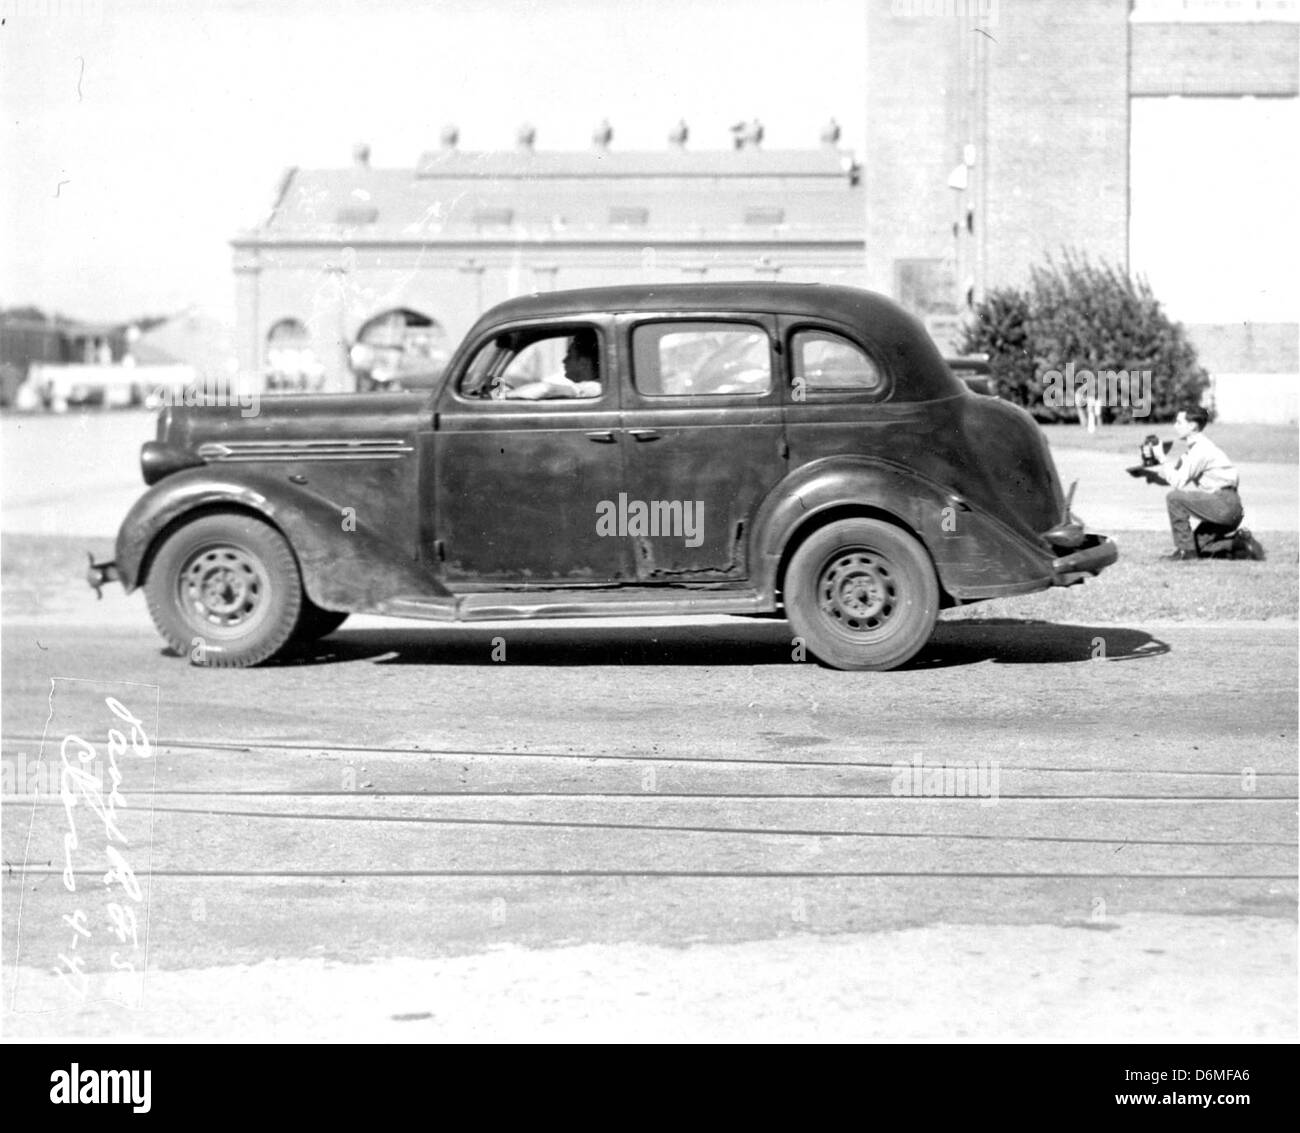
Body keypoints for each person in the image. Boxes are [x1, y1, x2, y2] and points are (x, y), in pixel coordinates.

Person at [1146, 406, 1258, 561]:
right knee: (1199, 547)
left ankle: (1185, 553)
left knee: (1174, 498)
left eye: (1179, 422)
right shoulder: (1197, 450)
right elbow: (1176, 475)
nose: (1175, 426)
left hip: (1223, 504)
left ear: (1192, 426)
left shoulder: (1200, 450)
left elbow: (1178, 483)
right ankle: (1239, 545)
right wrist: (1152, 471)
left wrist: (1162, 458)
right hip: (1232, 508)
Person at [496, 331, 602, 400]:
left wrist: (505, 396)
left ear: (583, 363)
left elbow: (545, 390)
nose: (564, 361)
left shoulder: (595, 387)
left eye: (570, 356)